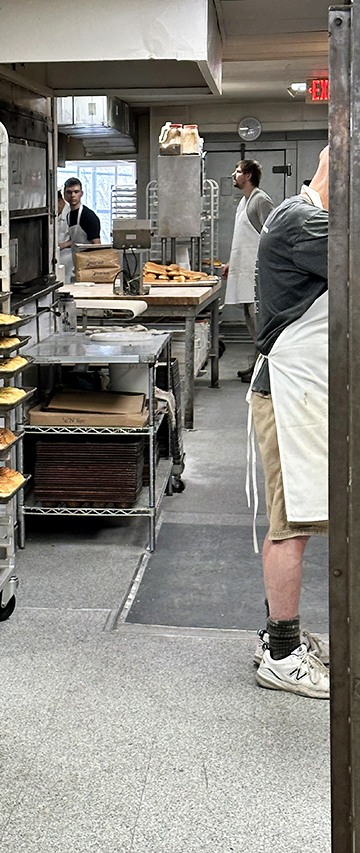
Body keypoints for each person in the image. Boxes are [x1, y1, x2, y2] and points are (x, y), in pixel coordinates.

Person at [249, 145, 330, 698]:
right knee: (290, 524)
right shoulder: (305, 222)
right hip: (285, 394)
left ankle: (281, 634)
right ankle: (281, 653)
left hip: (299, 391)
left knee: (296, 517)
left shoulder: (300, 216)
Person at [222, 160, 274, 383]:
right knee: (250, 319)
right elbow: (241, 239)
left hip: (256, 272)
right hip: (243, 270)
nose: (234, 174)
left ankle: (266, 370)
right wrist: (230, 262)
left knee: (259, 320)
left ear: (249, 176)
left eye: (239, 171)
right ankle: (257, 365)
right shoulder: (243, 202)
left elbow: (273, 234)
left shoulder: (260, 200)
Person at [58, 177, 101, 282]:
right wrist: (64, 244)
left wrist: (95, 271)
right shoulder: (69, 215)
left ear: (81, 193)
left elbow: (97, 245)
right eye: (69, 192)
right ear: (64, 194)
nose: (73, 195)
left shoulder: (88, 216)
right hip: (76, 264)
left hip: (88, 266)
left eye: (76, 192)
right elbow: (77, 239)